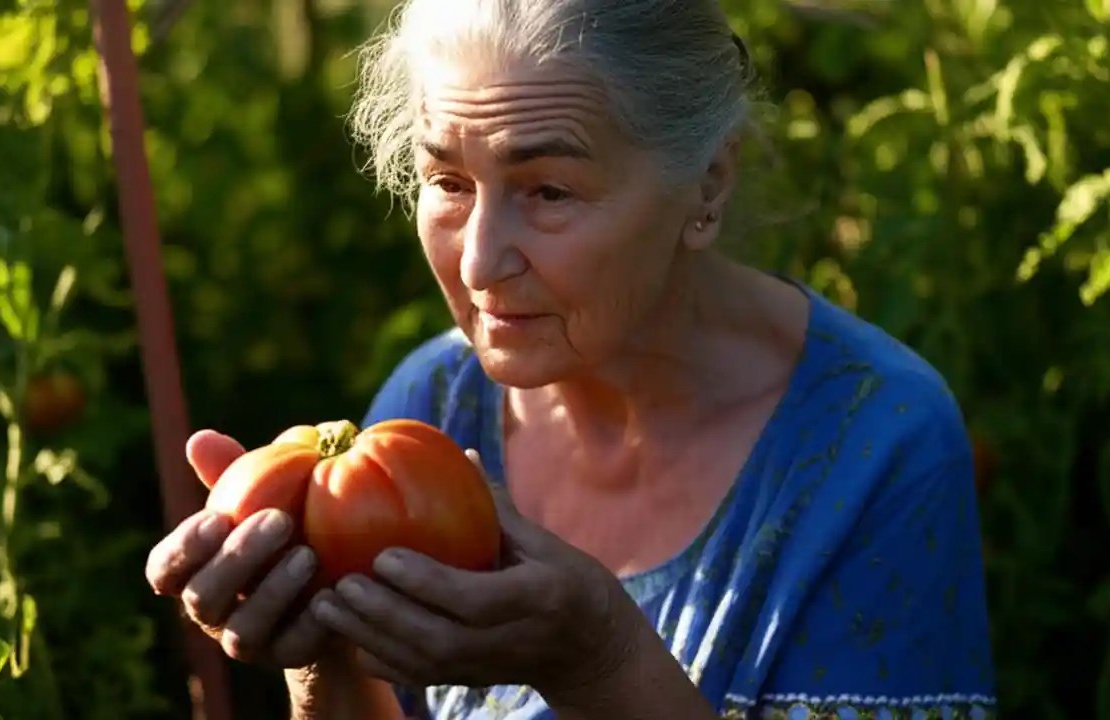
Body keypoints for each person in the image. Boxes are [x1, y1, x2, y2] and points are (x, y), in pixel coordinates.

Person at [144, 0, 998, 717]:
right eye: (447, 182)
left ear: (708, 184)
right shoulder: (432, 406)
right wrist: (323, 652)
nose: (478, 263)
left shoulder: (876, 444)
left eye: (548, 191)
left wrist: (599, 663)